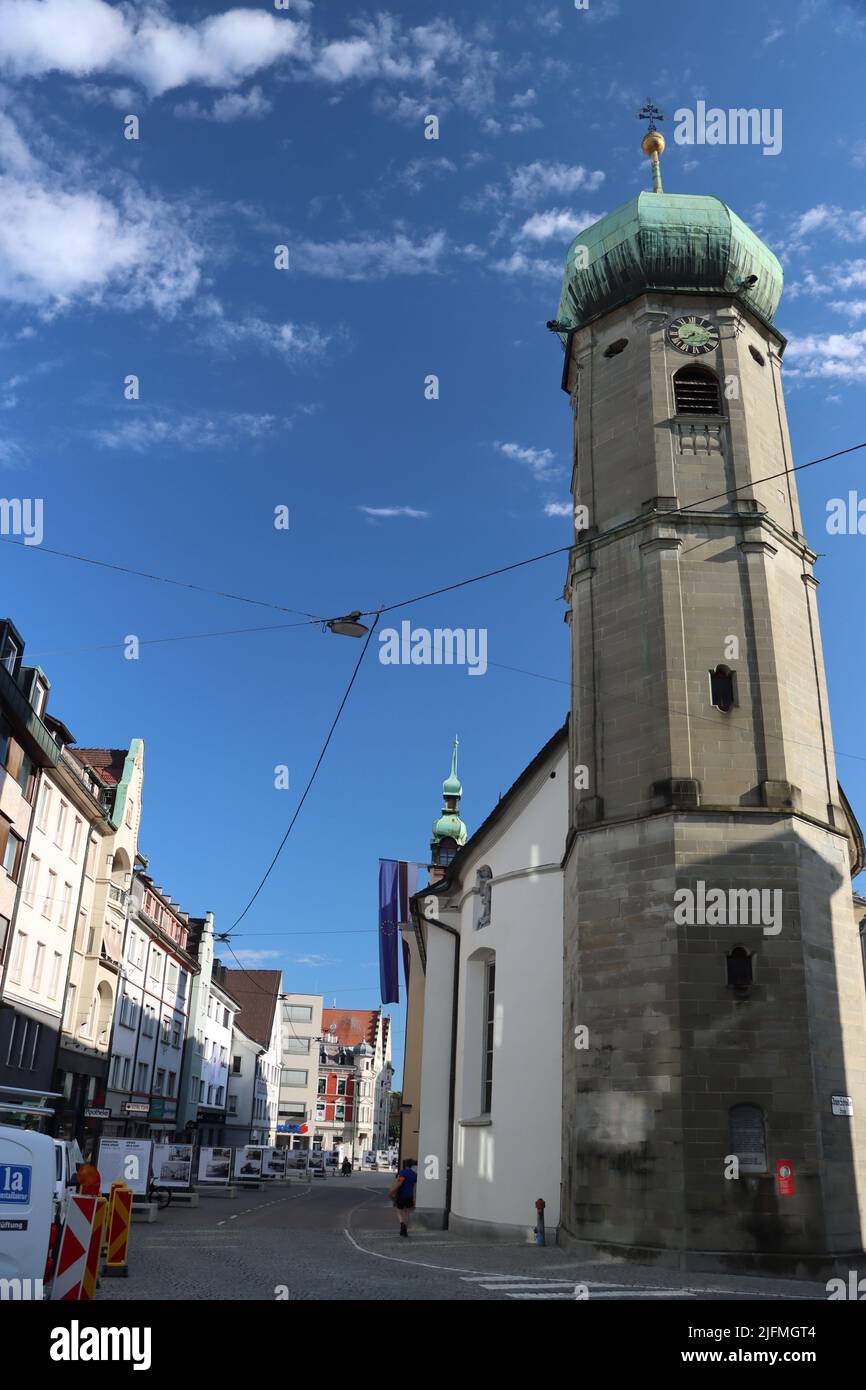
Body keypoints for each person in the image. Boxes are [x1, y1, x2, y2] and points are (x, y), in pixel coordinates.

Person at [389, 1158, 417, 1237]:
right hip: (410, 1195)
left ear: (405, 1165)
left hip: (401, 1195)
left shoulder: (403, 1173)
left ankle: (402, 1224)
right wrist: (414, 1198)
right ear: (412, 1166)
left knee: (399, 1210)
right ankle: (405, 1230)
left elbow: (399, 1183)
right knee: (407, 1213)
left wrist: (392, 1191)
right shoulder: (414, 1175)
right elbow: (414, 1187)